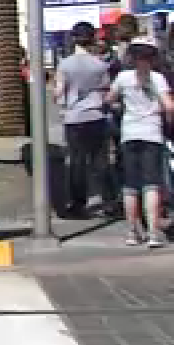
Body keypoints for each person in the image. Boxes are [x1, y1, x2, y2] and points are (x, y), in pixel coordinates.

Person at [106, 41, 174, 248]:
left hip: (129, 134)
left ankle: (132, 232)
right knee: (151, 185)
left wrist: (121, 105)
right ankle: (153, 234)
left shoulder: (123, 77)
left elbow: (109, 99)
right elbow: (169, 106)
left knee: (130, 186)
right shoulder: (158, 78)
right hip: (152, 134)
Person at [57, 21, 116, 219]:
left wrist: (62, 102)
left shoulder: (65, 64)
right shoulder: (100, 65)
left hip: (74, 117)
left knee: (77, 162)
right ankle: (109, 202)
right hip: (96, 115)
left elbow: (59, 92)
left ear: (74, 39)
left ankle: (77, 204)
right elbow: (106, 91)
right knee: (101, 161)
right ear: (92, 39)